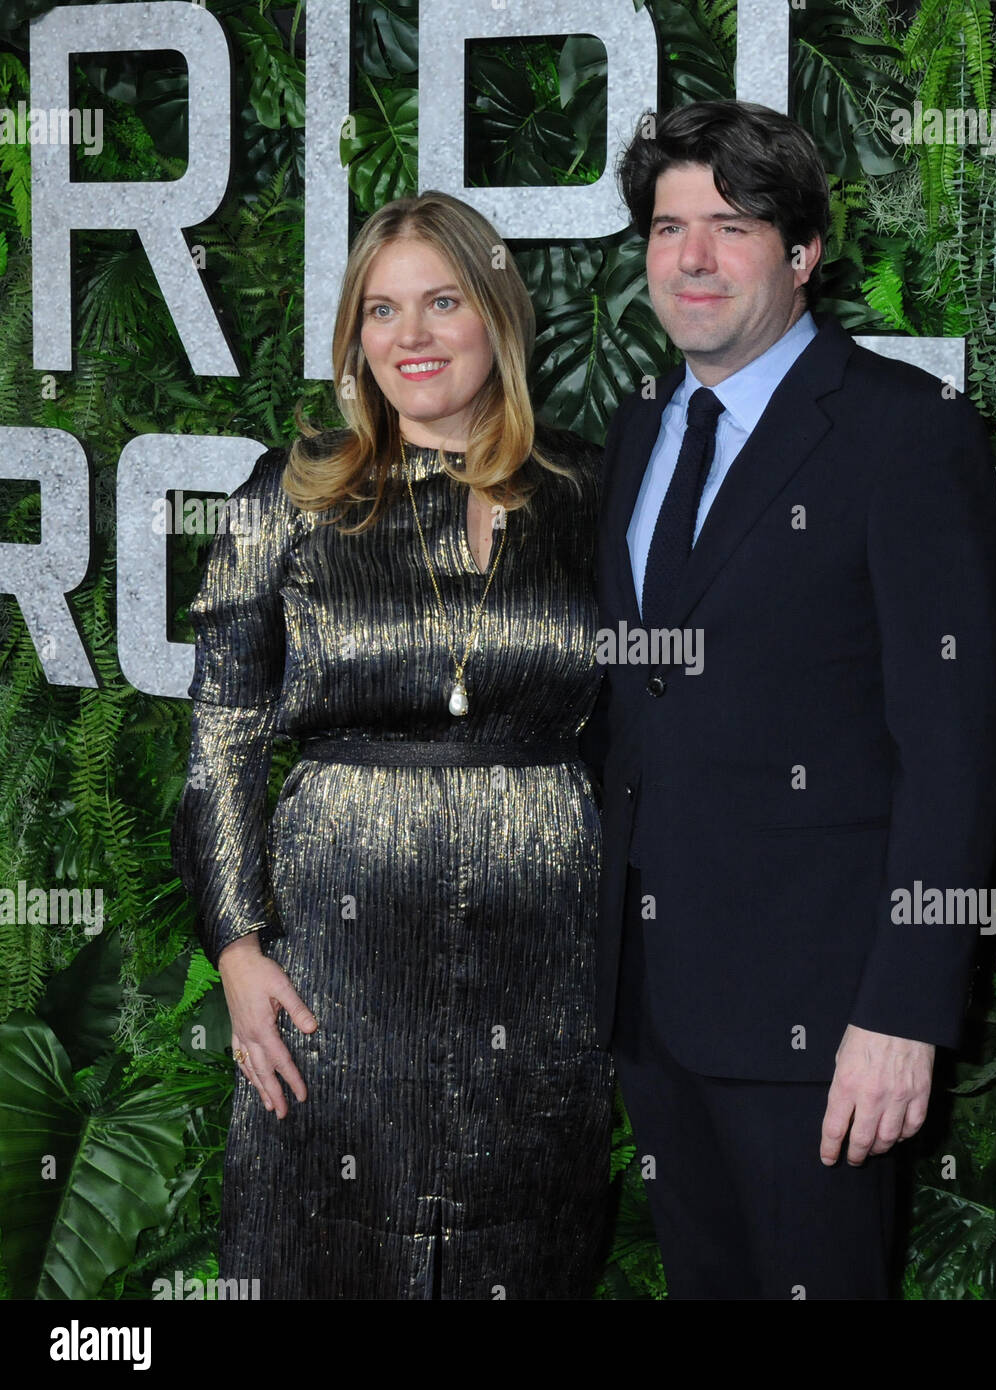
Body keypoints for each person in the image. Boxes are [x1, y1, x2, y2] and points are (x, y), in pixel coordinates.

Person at [589, 100, 996, 1299]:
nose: (693, 259)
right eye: (670, 229)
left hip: (822, 1018)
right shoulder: (637, 429)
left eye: (731, 226)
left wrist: (904, 1013)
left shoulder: (900, 432)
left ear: (804, 251)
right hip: (653, 1003)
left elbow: (957, 744)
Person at [172, 190, 614, 1300]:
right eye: (381, 310)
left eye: (442, 301)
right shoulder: (291, 495)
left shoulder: (591, 494)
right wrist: (234, 944)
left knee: (519, 1240)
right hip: (335, 955)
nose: (410, 337)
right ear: (354, 338)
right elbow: (222, 727)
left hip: (546, 953)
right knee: (321, 1235)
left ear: (497, 313)